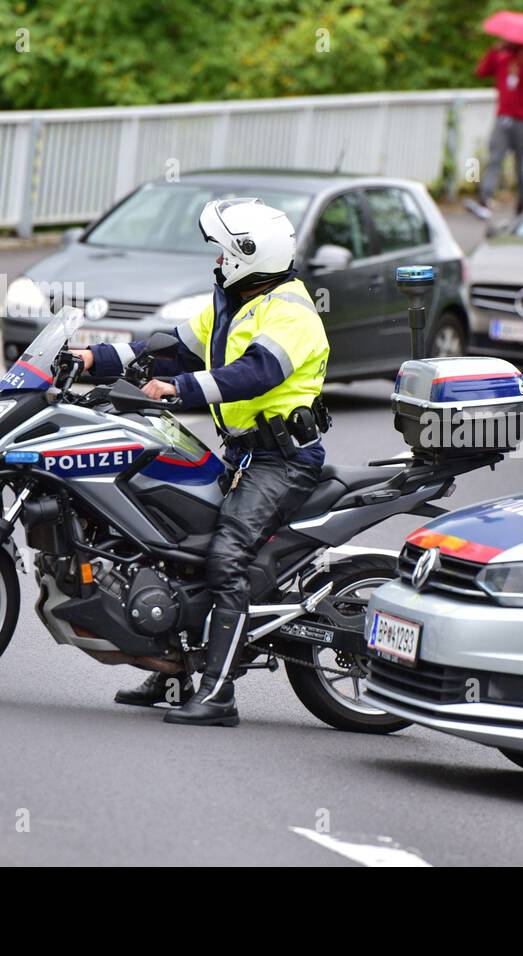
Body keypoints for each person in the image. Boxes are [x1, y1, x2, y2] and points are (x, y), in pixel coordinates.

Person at [70, 198, 329, 727]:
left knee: (226, 557)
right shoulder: (231, 303)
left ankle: (218, 693)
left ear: (246, 255)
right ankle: (172, 671)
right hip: (243, 454)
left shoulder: (292, 311)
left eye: (222, 253)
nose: (215, 262)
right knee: (172, 542)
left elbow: (254, 373)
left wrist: (178, 389)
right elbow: (168, 348)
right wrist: (95, 357)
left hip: (282, 460)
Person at [466, 41, 523, 219]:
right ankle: (485, 199)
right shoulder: (503, 58)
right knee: (495, 158)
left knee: (522, 163)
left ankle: (522, 203)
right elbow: (481, 72)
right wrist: (493, 51)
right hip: (503, 117)